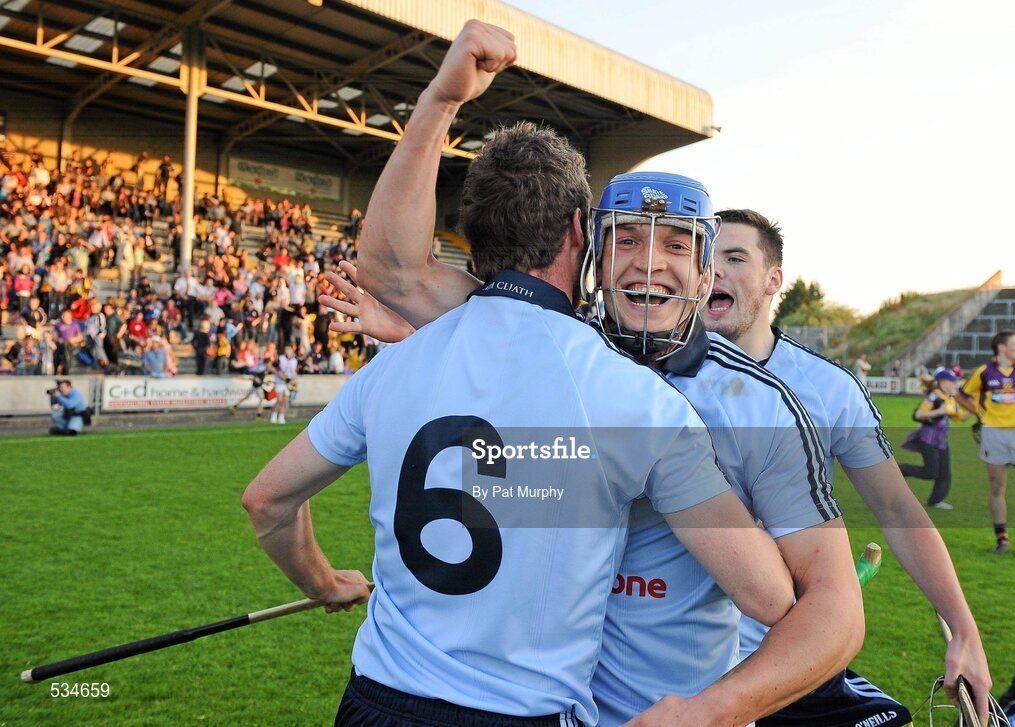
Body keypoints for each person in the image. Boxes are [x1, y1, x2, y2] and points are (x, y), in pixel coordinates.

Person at [244, 20, 795, 727]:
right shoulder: (638, 402)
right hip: (519, 714)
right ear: (578, 232)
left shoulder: (398, 363)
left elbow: (268, 502)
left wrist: (321, 581)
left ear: (471, 232)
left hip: (373, 701)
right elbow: (768, 596)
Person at [325, 173, 866, 726]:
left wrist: (712, 710)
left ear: (706, 270)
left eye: (676, 243)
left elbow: (835, 608)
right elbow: (399, 275)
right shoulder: (541, 346)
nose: (649, 262)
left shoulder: (761, 408)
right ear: (594, 255)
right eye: (627, 239)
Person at [701, 208, 991, 723]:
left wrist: (965, 630)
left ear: (774, 280)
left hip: (789, 651)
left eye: (735, 257)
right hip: (678, 658)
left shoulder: (828, 388)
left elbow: (897, 510)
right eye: (707, 257)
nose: (714, 270)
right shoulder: (647, 373)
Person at [956, 329, 1015, 555]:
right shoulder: (984, 372)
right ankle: (1002, 538)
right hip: (993, 434)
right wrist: (980, 413)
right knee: (997, 486)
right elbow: (961, 394)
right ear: (1002, 347)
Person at [899, 369, 969, 509]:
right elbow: (919, 414)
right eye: (952, 381)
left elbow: (961, 417)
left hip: (941, 441)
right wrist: (940, 411)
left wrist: (977, 408)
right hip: (928, 439)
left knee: (944, 473)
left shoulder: (950, 398)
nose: (955, 384)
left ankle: (935, 501)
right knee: (930, 472)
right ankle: (899, 471)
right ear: (943, 382)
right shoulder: (934, 396)